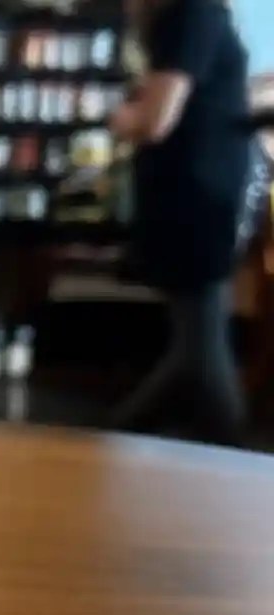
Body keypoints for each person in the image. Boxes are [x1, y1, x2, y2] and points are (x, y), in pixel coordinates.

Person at [110, 0, 251, 445]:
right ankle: (114, 441)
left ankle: (112, 442)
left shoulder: (191, 14)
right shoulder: (199, 15)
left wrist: (115, 116)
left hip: (194, 194)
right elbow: (167, 114)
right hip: (200, 191)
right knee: (198, 342)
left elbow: (154, 120)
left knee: (199, 347)